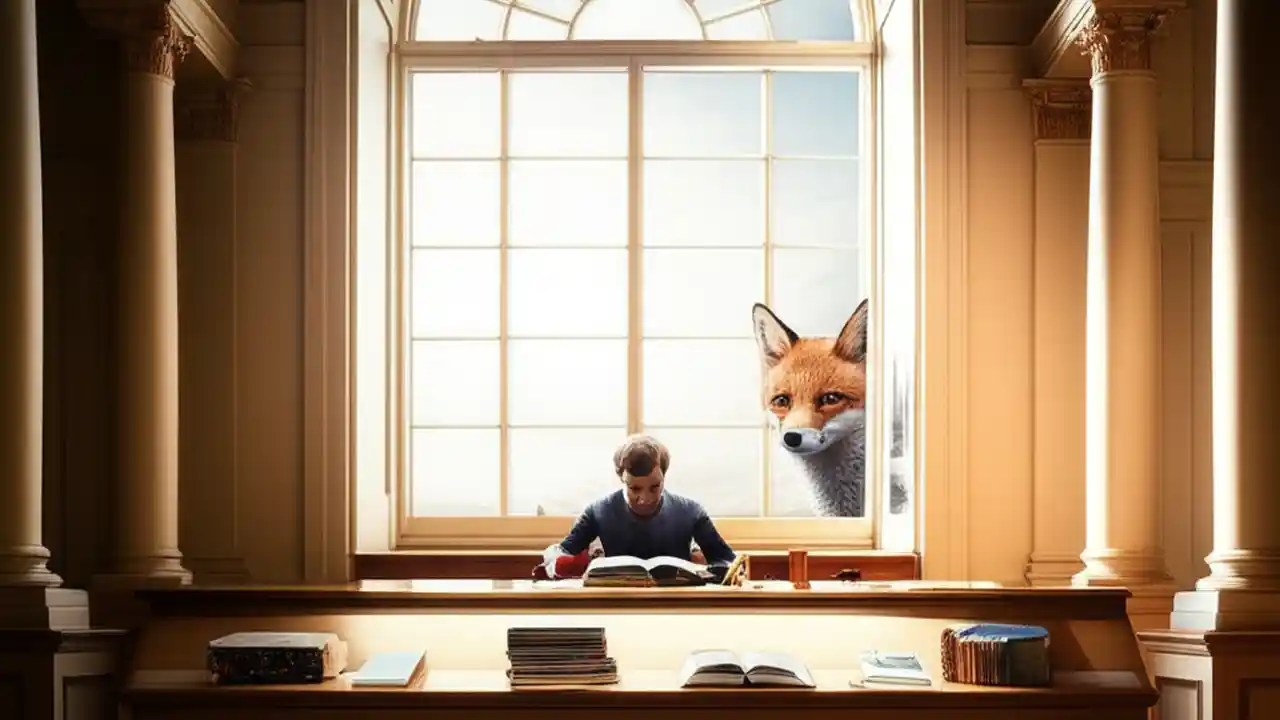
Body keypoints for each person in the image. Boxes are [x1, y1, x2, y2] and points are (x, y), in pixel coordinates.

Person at [541, 434, 737, 578]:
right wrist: (566, 564)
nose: (644, 499)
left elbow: (727, 561)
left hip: (677, 604)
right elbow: (559, 553)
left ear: (664, 477)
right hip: (616, 602)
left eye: (655, 487)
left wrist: (707, 571)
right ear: (621, 478)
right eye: (634, 488)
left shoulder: (691, 512)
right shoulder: (598, 511)